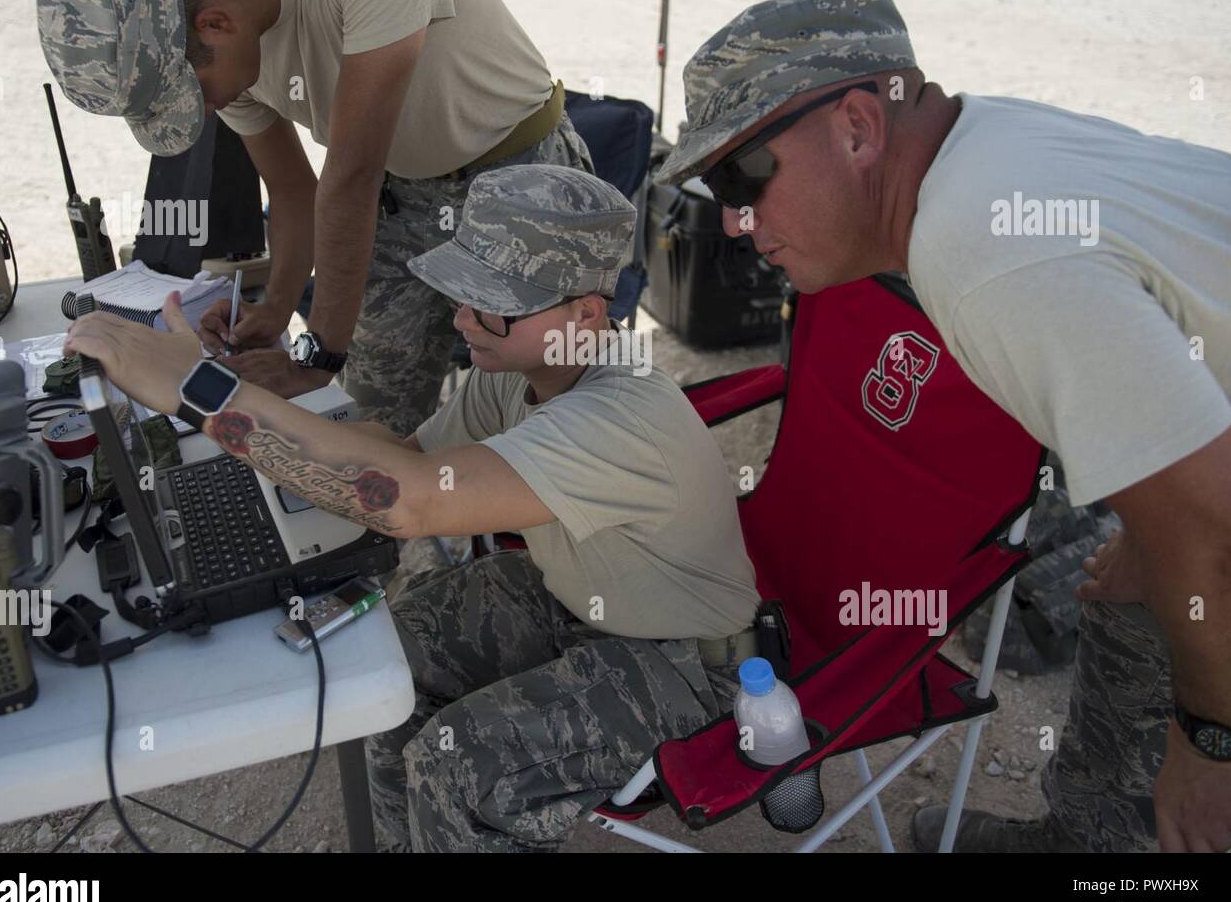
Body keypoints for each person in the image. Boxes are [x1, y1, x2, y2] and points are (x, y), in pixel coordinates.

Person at [655, 0, 1231, 853]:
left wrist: (1216, 744)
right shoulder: (985, 143)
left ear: (858, 126)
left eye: (743, 178)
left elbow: (1226, 545)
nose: (736, 223)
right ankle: (1094, 846)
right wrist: (1162, 527)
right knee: (1146, 589)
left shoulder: (985, 254)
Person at [64, 164, 760, 852]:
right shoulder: (527, 372)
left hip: (683, 666)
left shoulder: (618, 417)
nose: (461, 318)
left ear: (584, 314)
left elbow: (404, 501)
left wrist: (201, 392)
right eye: (461, 291)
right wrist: (249, 393)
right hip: (577, 599)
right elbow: (398, 454)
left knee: (456, 768)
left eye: (492, 301)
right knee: (388, 668)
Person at [37, 0, 592, 435]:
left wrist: (316, 357)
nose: (205, 110)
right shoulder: (231, 43)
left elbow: (350, 177)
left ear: (214, 24)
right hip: (401, 198)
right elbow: (293, 191)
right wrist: (275, 313)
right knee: (373, 417)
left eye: (194, 93)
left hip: (522, 182)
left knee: (549, 412)